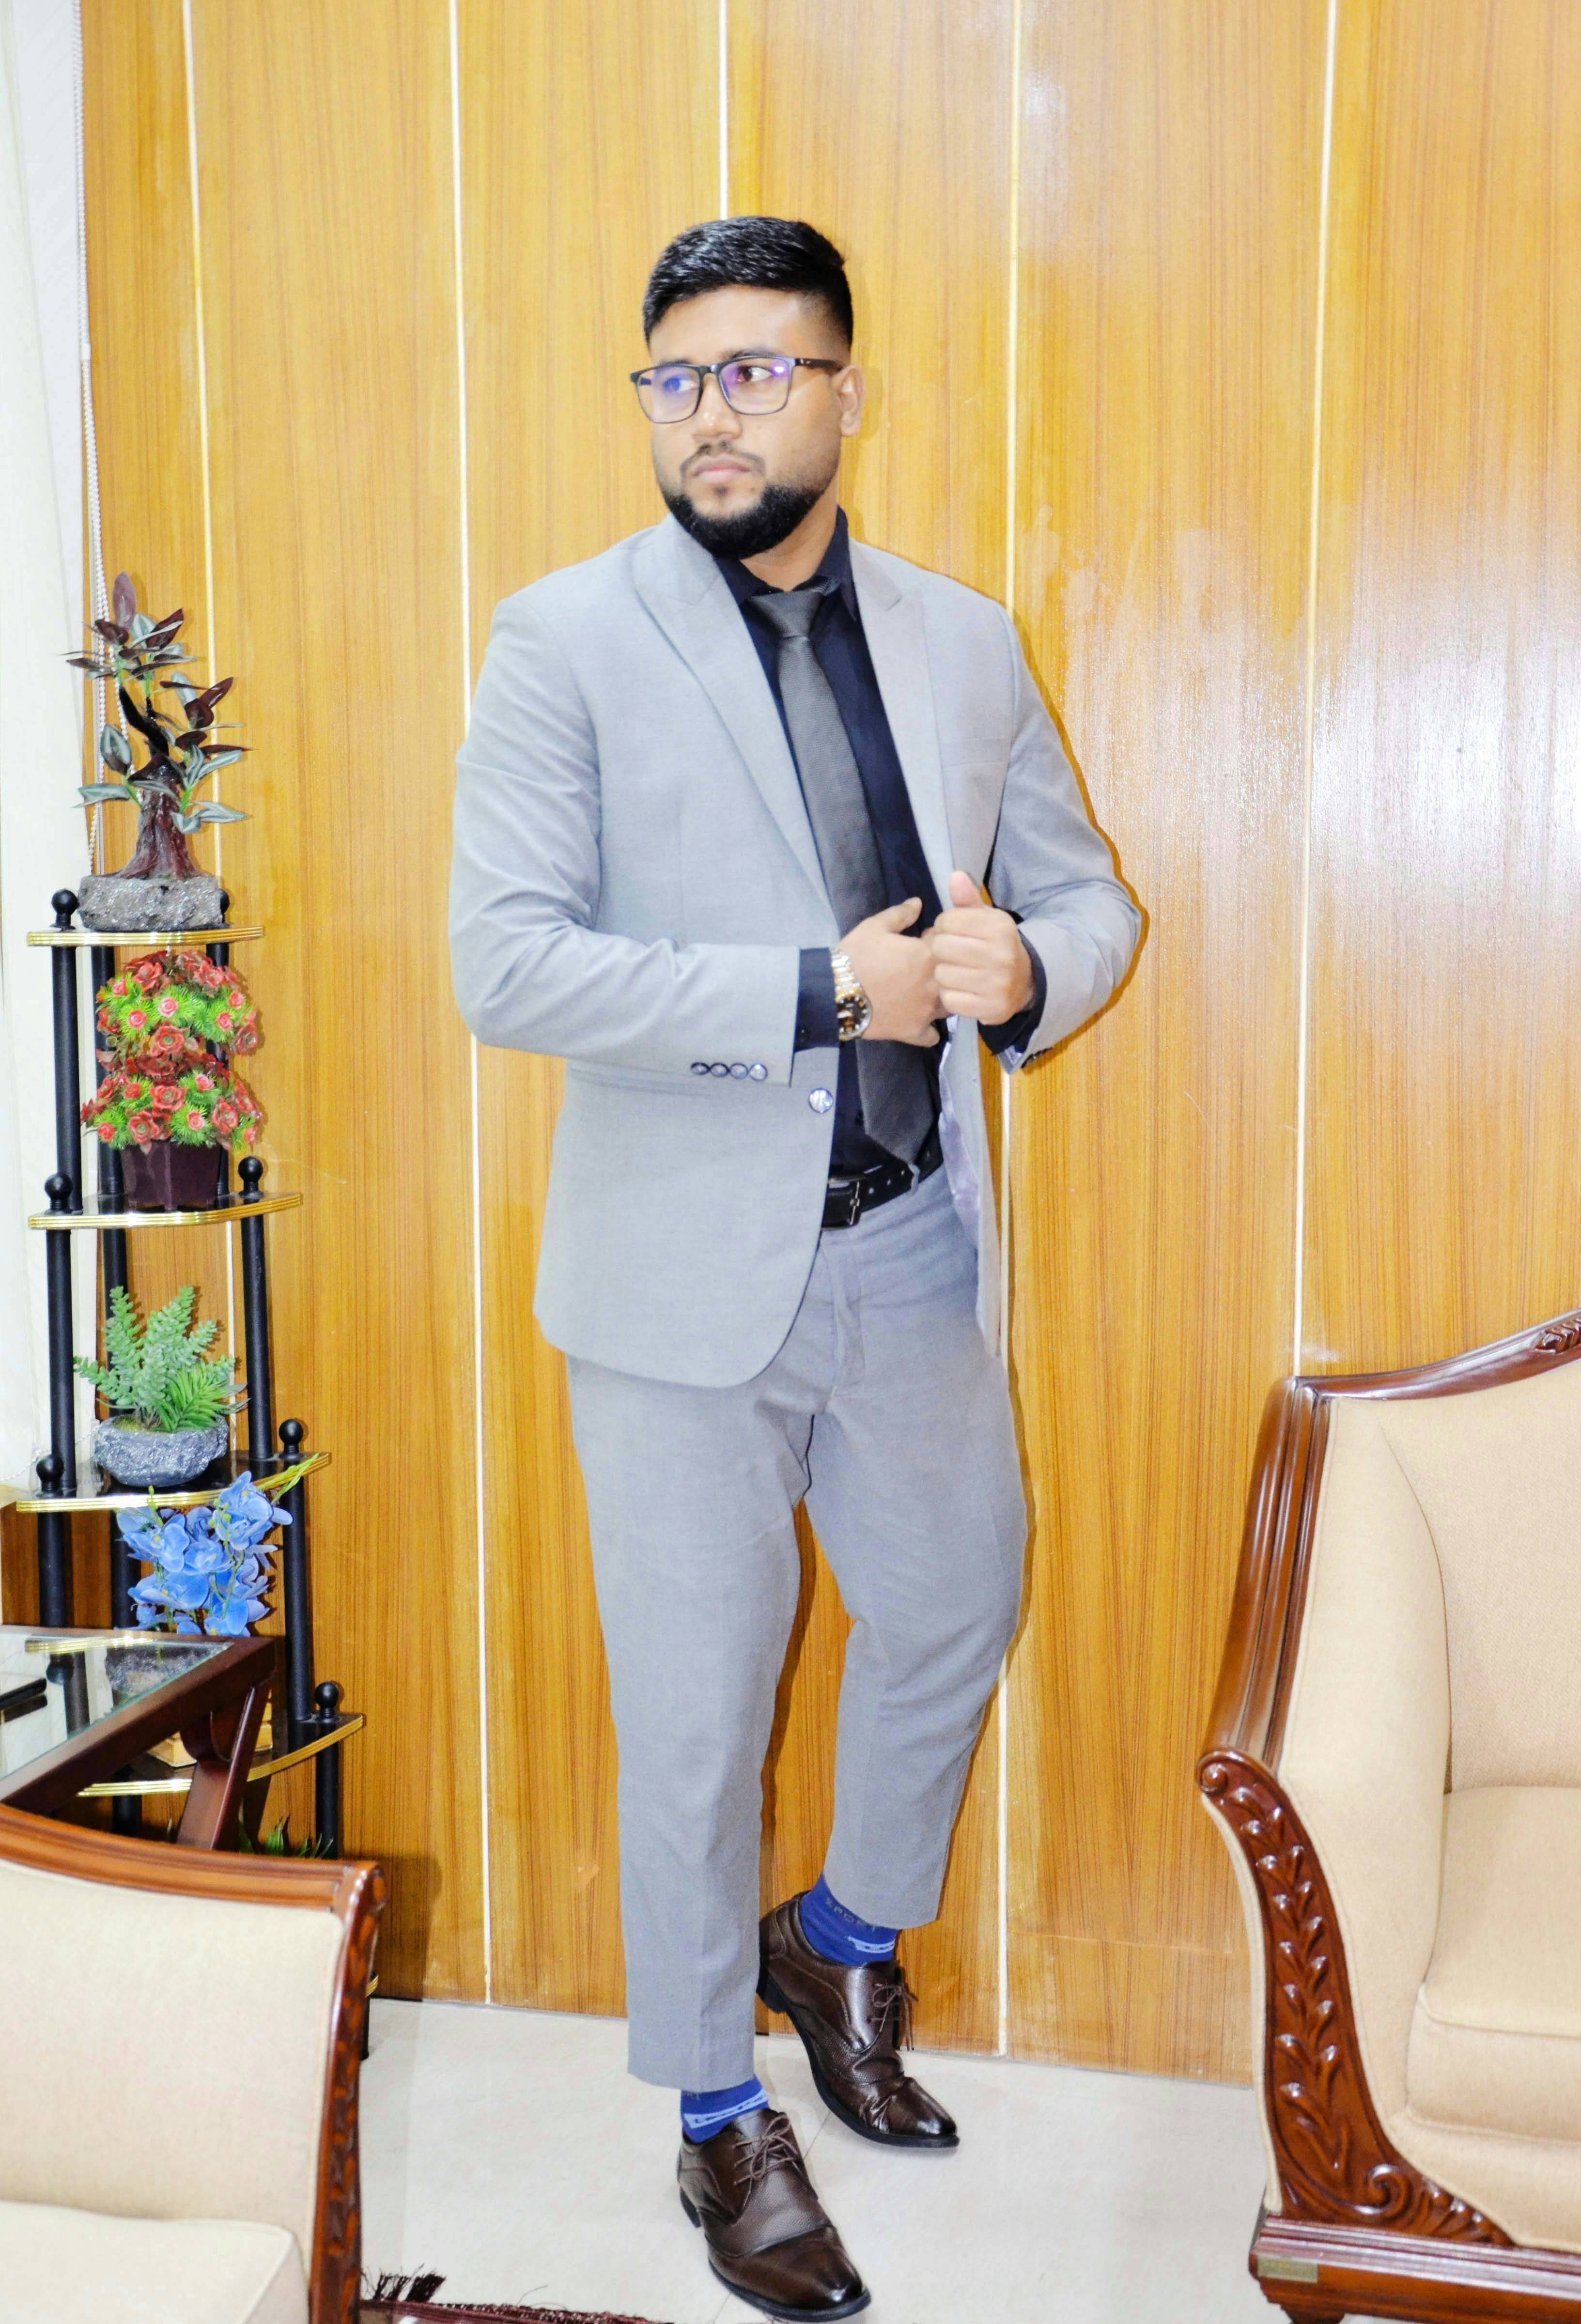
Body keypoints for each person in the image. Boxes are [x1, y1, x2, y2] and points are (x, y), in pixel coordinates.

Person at [450, 215, 1138, 2322]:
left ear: (848, 391)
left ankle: (837, 1944)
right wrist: (819, 994)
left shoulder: (964, 640)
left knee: (957, 1602)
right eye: (676, 381)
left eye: (756, 374)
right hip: (675, 1290)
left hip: (908, 1243)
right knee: (697, 1714)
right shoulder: (564, 638)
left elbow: (1088, 901)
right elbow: (508, 963)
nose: (711, 417)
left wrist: (1026, 971)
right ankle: (712, 2117)